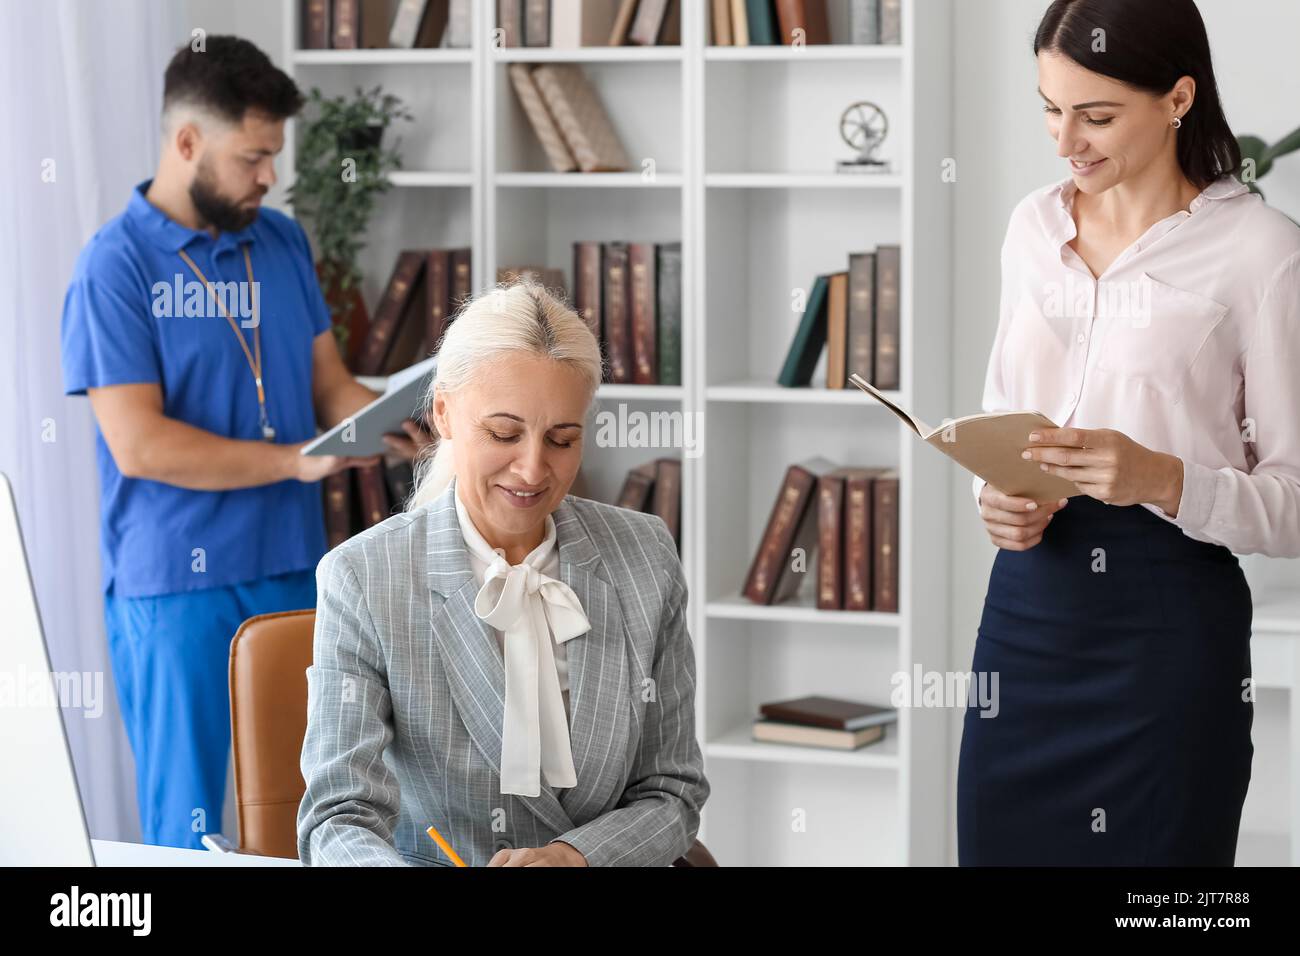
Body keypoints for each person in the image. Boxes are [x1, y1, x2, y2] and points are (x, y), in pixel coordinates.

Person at [60, 36, 429, 849]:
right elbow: (139, 446)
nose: (269, 176)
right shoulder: (112, 269)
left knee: (316, 803)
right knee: (184, 824)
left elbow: (328, 386)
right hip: (172, 585)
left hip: (289, 563)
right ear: (186, 143)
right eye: (253, 157)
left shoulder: (283, 241)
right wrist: (296, 462)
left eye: (274, 157)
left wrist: (404, 422)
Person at [959, 0, 1300, 865]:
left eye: (1096, 115)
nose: (1065, 140)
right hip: (1026, 617)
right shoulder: (1032, 230)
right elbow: (1002, 409)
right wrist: (995, 498)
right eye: (1049, 107)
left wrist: (1162, 478)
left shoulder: (1263, 253)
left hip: (1168, 635)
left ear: (1178, 97)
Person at [297, 279, 709, 866]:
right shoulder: (363, 576)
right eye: (504, 433)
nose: (533, 469)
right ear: (443, 413)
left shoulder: (644, 555)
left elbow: (672, 793)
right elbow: (337, 819)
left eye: (562, 439)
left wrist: (573, 856)